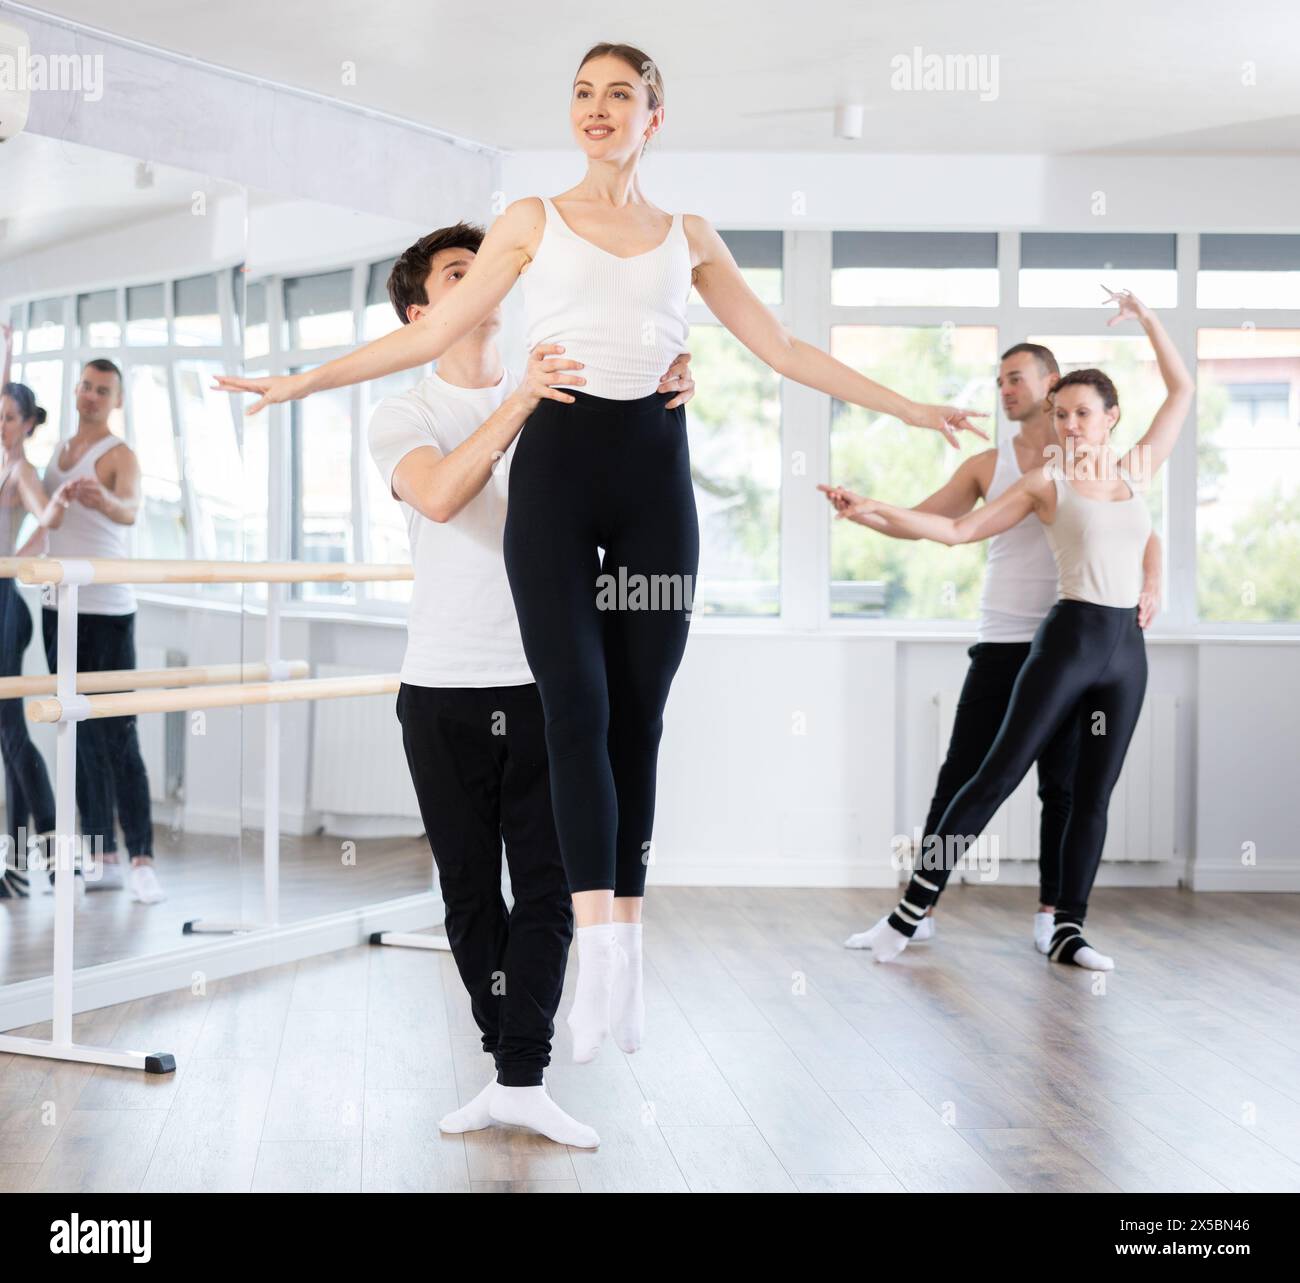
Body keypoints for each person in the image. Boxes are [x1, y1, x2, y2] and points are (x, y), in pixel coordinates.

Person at [215, 41, 987, 1061]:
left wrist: (911, 404)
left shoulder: (688, 236)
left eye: (617, 93)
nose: (595, 107)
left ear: (652, 117)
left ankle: (622, 957)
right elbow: (424, 332)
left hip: (653, 481)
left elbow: (787, 349)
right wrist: (294, 384)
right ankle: (590, 960)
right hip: (559, 478)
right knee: (574, 705)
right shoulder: (530, 221)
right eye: (581, 92)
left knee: (638, 718)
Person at [368, 223, 694, 1145]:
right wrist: (520, 404)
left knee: (549, 886)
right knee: (471, 891)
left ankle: (523, 1074)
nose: (493, 285)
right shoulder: (406, 413)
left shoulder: (564, 394)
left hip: (542, 683)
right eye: (464, 275)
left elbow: (629, 479)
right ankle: (504, 1058)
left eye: (501, 271)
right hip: (439, 686)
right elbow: (439, 496)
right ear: (422, 312)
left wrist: (661, 390)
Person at [826, 288, 1191, 969]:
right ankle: (906, 918)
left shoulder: (1137, 471)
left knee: (1089, 794)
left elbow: (1182, 388)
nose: (1071, 424)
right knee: (992, 774)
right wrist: (872, 509)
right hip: (1068, 640)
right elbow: (956, 529)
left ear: (1111, 418)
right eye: (1063, 415)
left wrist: (1147, 318)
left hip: (1126, 654)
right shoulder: (1045, 483)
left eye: (1082, 413)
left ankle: (1068, 928)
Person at [23, 359, 163, 904]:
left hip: (106, 609)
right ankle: (102, 852)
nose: (90, 396)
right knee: (75, 734)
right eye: (85, 386)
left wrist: (104, 500)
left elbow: (130, 511)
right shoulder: (57, 453)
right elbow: (47, 525)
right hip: (60, 605)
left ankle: (143, 858)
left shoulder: (120, 455)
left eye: (102, 390)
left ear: (116, 400)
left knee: (117, 734)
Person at [0, 380, 57, 898]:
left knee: (13, 734)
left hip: (6, 609)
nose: (2, 424)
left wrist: (21, 560)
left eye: (12, 418)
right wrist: (7, 352)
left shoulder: (21, 470)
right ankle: (15, 862)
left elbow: (48, 517)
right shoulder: (3, 462)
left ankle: (54, 850)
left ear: (30, 424)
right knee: (6, 740)